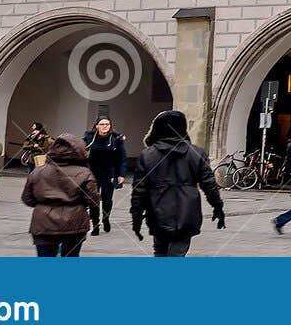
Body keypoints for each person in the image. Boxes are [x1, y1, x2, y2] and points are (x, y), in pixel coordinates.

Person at [130, 109, 225, 257]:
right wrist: (217, 207)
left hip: (158, 212)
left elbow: (139, 190)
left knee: (160, 252)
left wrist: (136, 217)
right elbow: (209, 185)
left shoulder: (148, 155)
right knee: (178, 252)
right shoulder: (196, 153)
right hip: (187, 212)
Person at [21, 134, 99, 257]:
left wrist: (44, 204)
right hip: (74, 223)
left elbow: (27, 198)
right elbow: (93, 200)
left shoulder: (38, 171)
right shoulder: (85, 173)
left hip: (43, 224)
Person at [83, 115, 127, 236]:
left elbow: (121, 158)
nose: (104, 126)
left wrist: (121, 174)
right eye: (102, 124)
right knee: (93, 200)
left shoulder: (115, 138)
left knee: (107, 199)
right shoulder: (89, 138)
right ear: (97, 126)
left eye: (107, 124)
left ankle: (106, 218)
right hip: (93, 174)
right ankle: (95, 224)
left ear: (110, 126)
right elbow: (83, 153)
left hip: (109, 174)